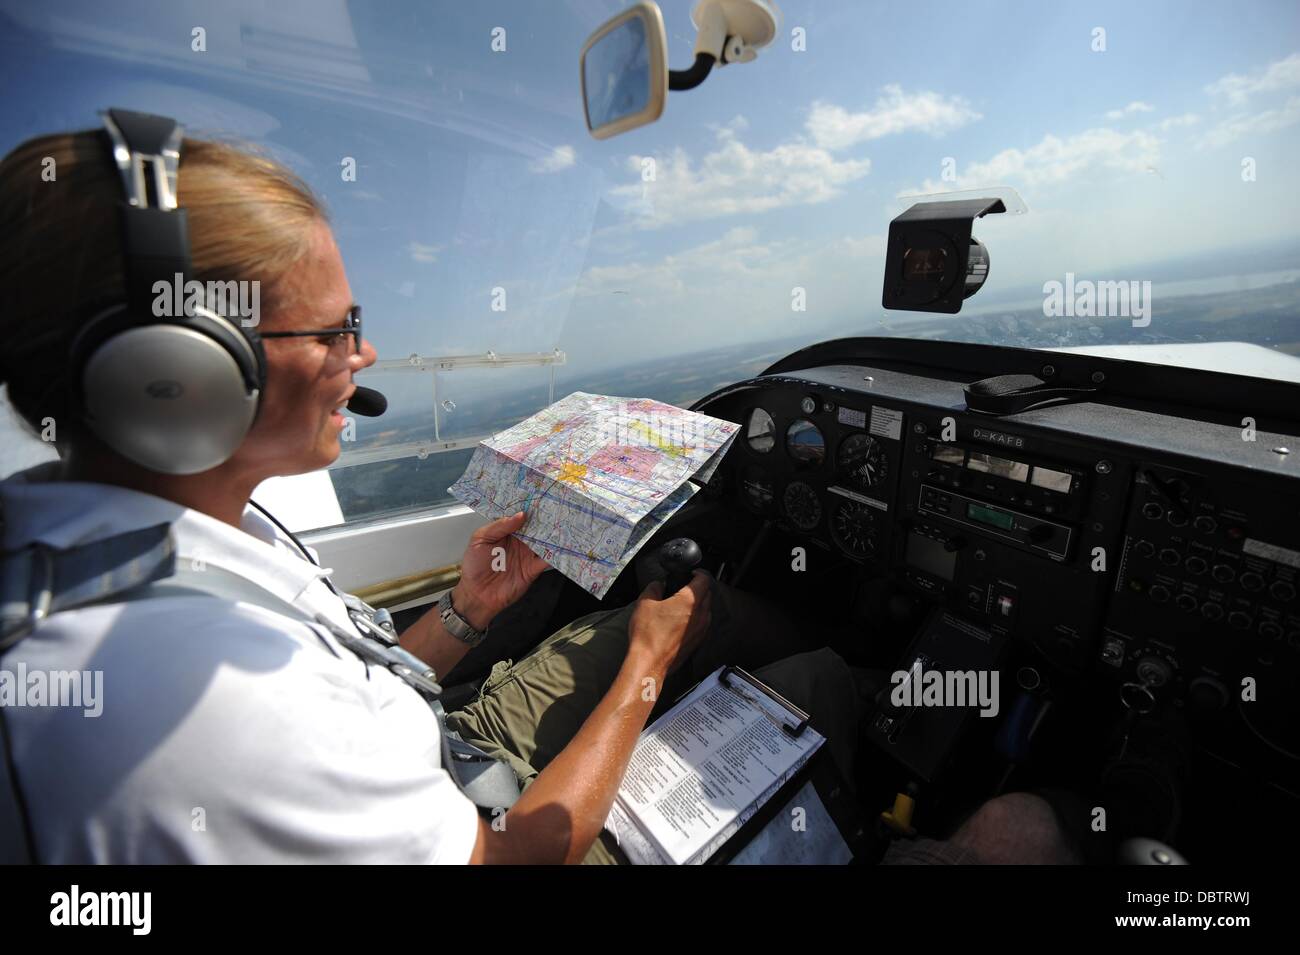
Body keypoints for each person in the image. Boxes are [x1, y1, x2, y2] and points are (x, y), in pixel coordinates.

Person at [0, 118, 1077, 865]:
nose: (364, 355)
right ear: (173, 376)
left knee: (676, 620)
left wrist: (466, 614)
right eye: (331, 332)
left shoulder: (127, 534)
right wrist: (650, 666)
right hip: (498, 826)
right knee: (825, 680)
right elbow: (520, 854)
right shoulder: (191, 696)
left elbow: (342, 687)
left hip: (435, 745)